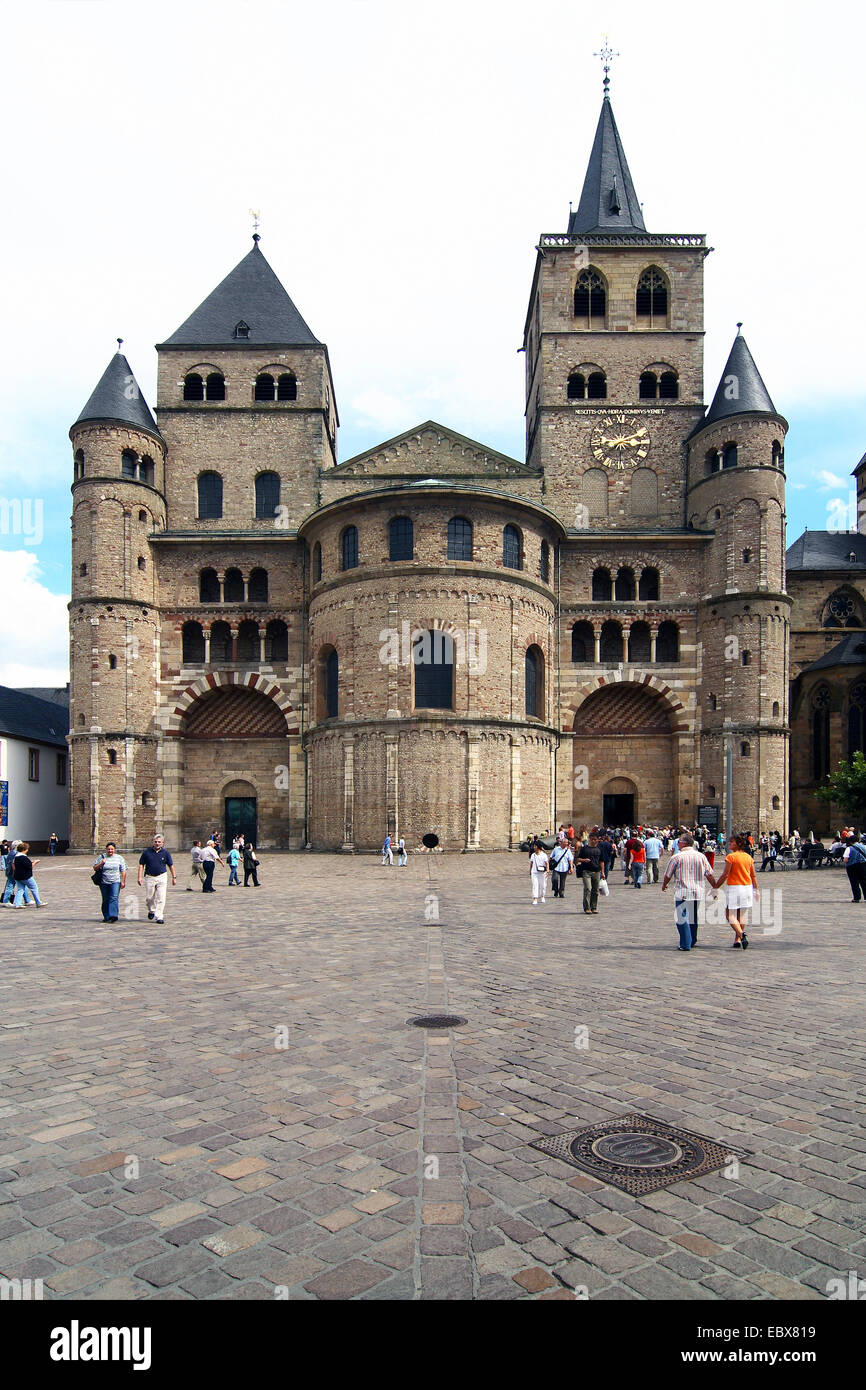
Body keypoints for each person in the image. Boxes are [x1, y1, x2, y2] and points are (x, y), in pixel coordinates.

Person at [661, 832, 715, 951]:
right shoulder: (701, 856)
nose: (677, 844)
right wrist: (714, 887)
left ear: (684, 843)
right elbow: (709, 874)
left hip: (683, 890)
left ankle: (685, 943)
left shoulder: (676, 857)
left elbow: (668, 874)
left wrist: (664, 885)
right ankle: (692, 939)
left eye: (679, 842)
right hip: (697, 890)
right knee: (693, 917)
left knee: (681, 917)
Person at [712, 834, 759, 948]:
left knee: (730, 915)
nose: (729, 844)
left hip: (734, 888)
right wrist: (755, 889)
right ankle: (737, 940)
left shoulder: (731, 857)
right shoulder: (748, 857)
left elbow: (725, 874)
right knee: (741, 915)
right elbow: (753, 875)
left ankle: (741, 935)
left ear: (738, 844)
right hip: (747, 887)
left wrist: (716, 886)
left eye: (732, 842)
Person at [137, 834, 176, 923]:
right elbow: (141, 865)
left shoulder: (166, 853)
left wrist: (174, 877)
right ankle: (152, 910)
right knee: (149, 898)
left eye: (159, 842)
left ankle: (159, 916)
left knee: (161, 897)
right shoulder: (147, 852)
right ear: (153, 842)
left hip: (162, 876)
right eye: (155, 842)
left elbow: (171, 865)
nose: (157, 843)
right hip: (150, 877)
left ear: (162, 843)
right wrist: (139, 877)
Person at [93, 842, 127, 922]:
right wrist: (102, 863)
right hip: (104, 882)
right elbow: (95, 868)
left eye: (112, 849)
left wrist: (123, 881)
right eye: (108, 849)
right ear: (106, 849)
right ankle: (106, 916)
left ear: (114, 850)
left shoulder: (119, 858)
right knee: (105, 899)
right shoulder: (101, 857)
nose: (110, 851)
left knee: (114, 897)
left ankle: (113, 915)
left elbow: (123, 870)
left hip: (115, 881)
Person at [576, 833, 605, 913]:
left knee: (595, 890)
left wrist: (603, 872)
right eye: (592, 839)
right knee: (587, 889)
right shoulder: (584, 849)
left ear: (597, 840)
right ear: (589, 839)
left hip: (596, 871)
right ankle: (587, 908)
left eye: (595, 839)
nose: (593, 841)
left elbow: (602, 861)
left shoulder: (599, 849)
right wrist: (584, 860)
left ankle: (594, 907)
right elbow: (578, 859)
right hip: (586, 871)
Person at [10, 842, 42, 908]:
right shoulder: (23, 857)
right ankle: (38, 902)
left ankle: (17, 904)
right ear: (24, 849)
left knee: (20, 889)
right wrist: (35, 862)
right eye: (27, 849)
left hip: (17, 876)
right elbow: (29, 866)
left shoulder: (16, 857)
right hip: (25, 876)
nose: (27, 850)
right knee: (34, 888)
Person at [843, 834, 866, 903]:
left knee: (854, 882)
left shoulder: (849, 848)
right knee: (864, 881)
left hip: (852, 866)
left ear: (850, 841)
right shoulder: (864, 846)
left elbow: (845, 859)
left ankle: (856, 898)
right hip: (863, 865)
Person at [529, 840, 549, 905]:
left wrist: (547, 871)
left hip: (542, 872)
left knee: (543, 885)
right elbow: (531, 863)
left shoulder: (544, 855)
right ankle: (535, 898)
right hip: (534, 872)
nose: (534, 847)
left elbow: (546, 863)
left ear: (538, 847)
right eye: (534, 846)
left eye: (535, 846)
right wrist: (530, 870)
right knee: (535, 885)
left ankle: (542, 896)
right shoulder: (533, 855)